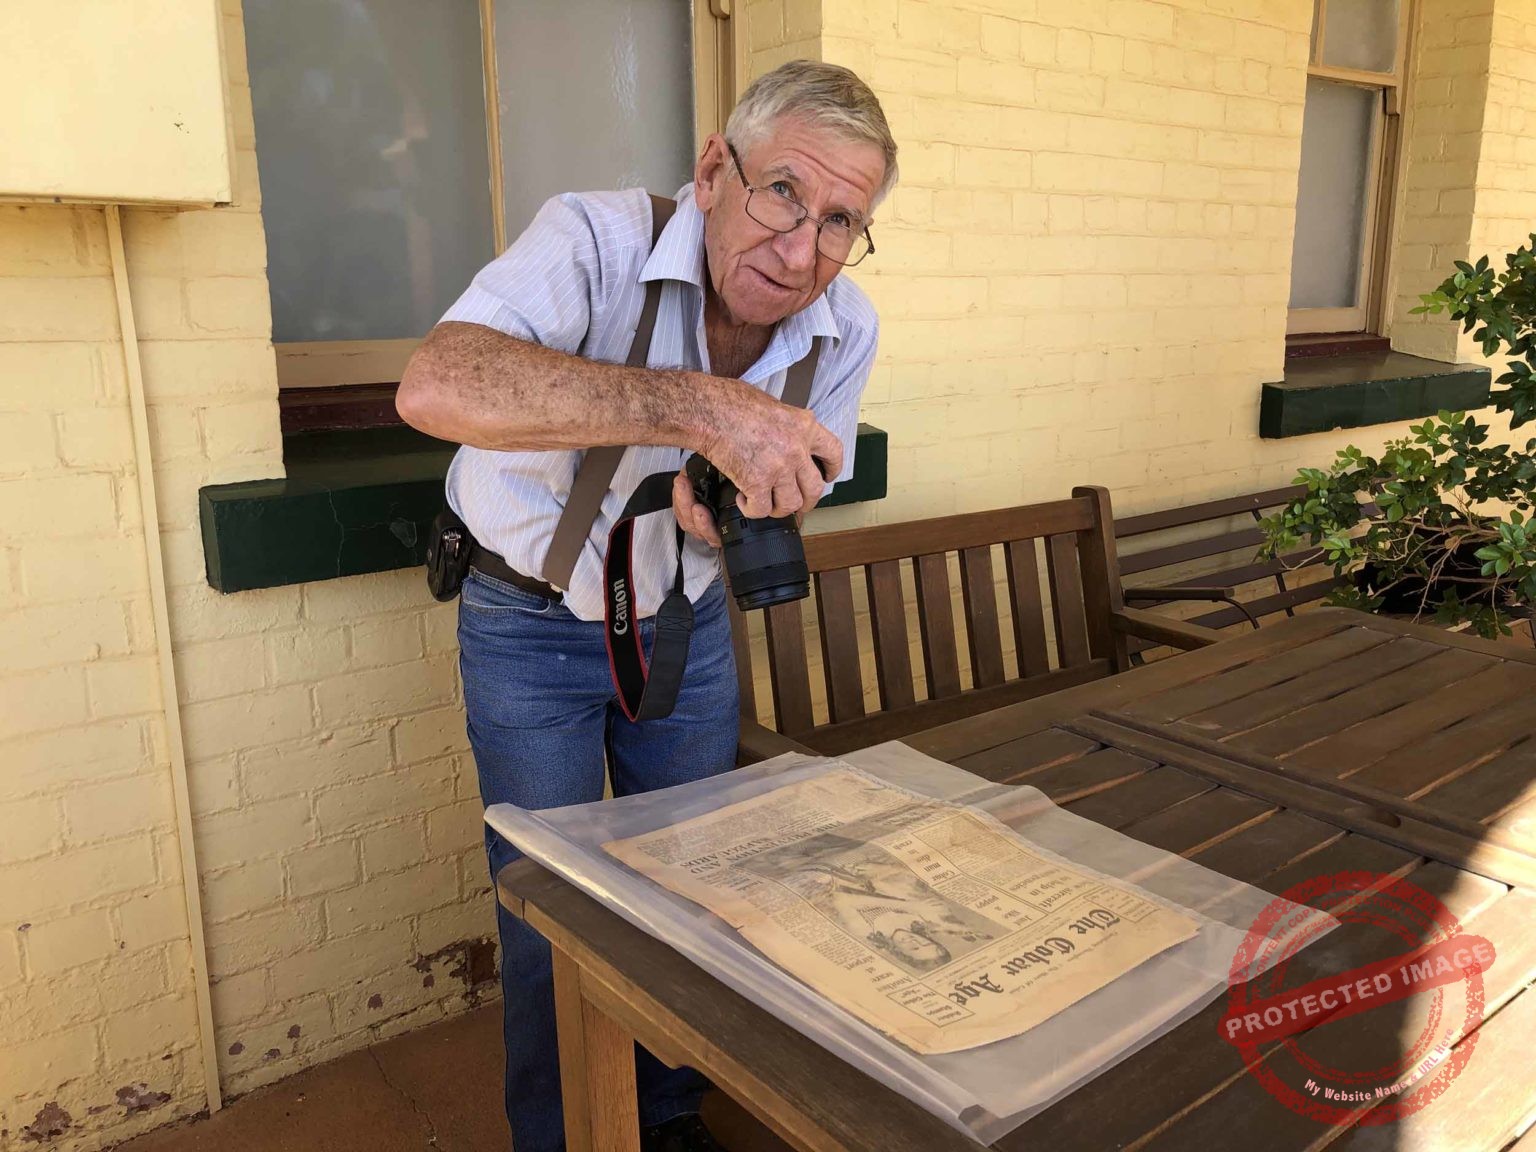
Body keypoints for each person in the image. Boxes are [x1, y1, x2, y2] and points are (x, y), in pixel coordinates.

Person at [396, 60, 898, 1152]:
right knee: (551, 917)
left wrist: (733, 499)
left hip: (687, 623)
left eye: (840, 221)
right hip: (528, 625)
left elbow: (796, 476)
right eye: (781, 193)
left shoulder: (843, 328)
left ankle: (666, 1121)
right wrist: (702, 409)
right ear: (715, 169)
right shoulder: (594, 242)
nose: (803, 249)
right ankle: (568, 1135)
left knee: (694, 895)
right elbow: (437, 383)